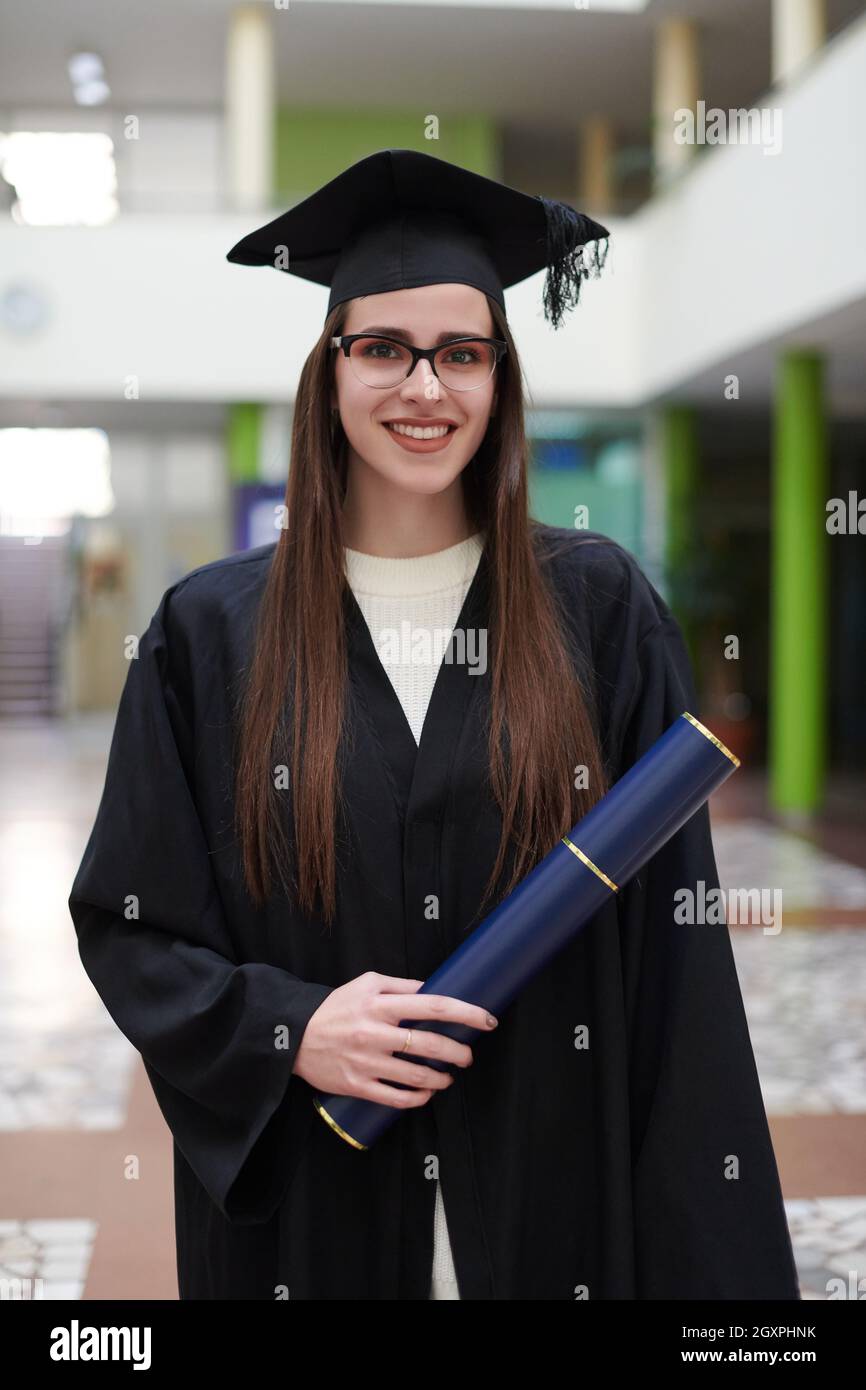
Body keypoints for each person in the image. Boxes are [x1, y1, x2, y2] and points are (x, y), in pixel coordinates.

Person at [68, 149, 800, 1301]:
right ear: (329, 370)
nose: (425, 388)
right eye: (384, 350)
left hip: (552, 1193)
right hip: (317, 1196)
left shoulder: (596, 608)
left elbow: (675, 959)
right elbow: (132, 925)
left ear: (501, 377)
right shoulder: (210, 631)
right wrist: (291, 1028)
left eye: (463, 352)